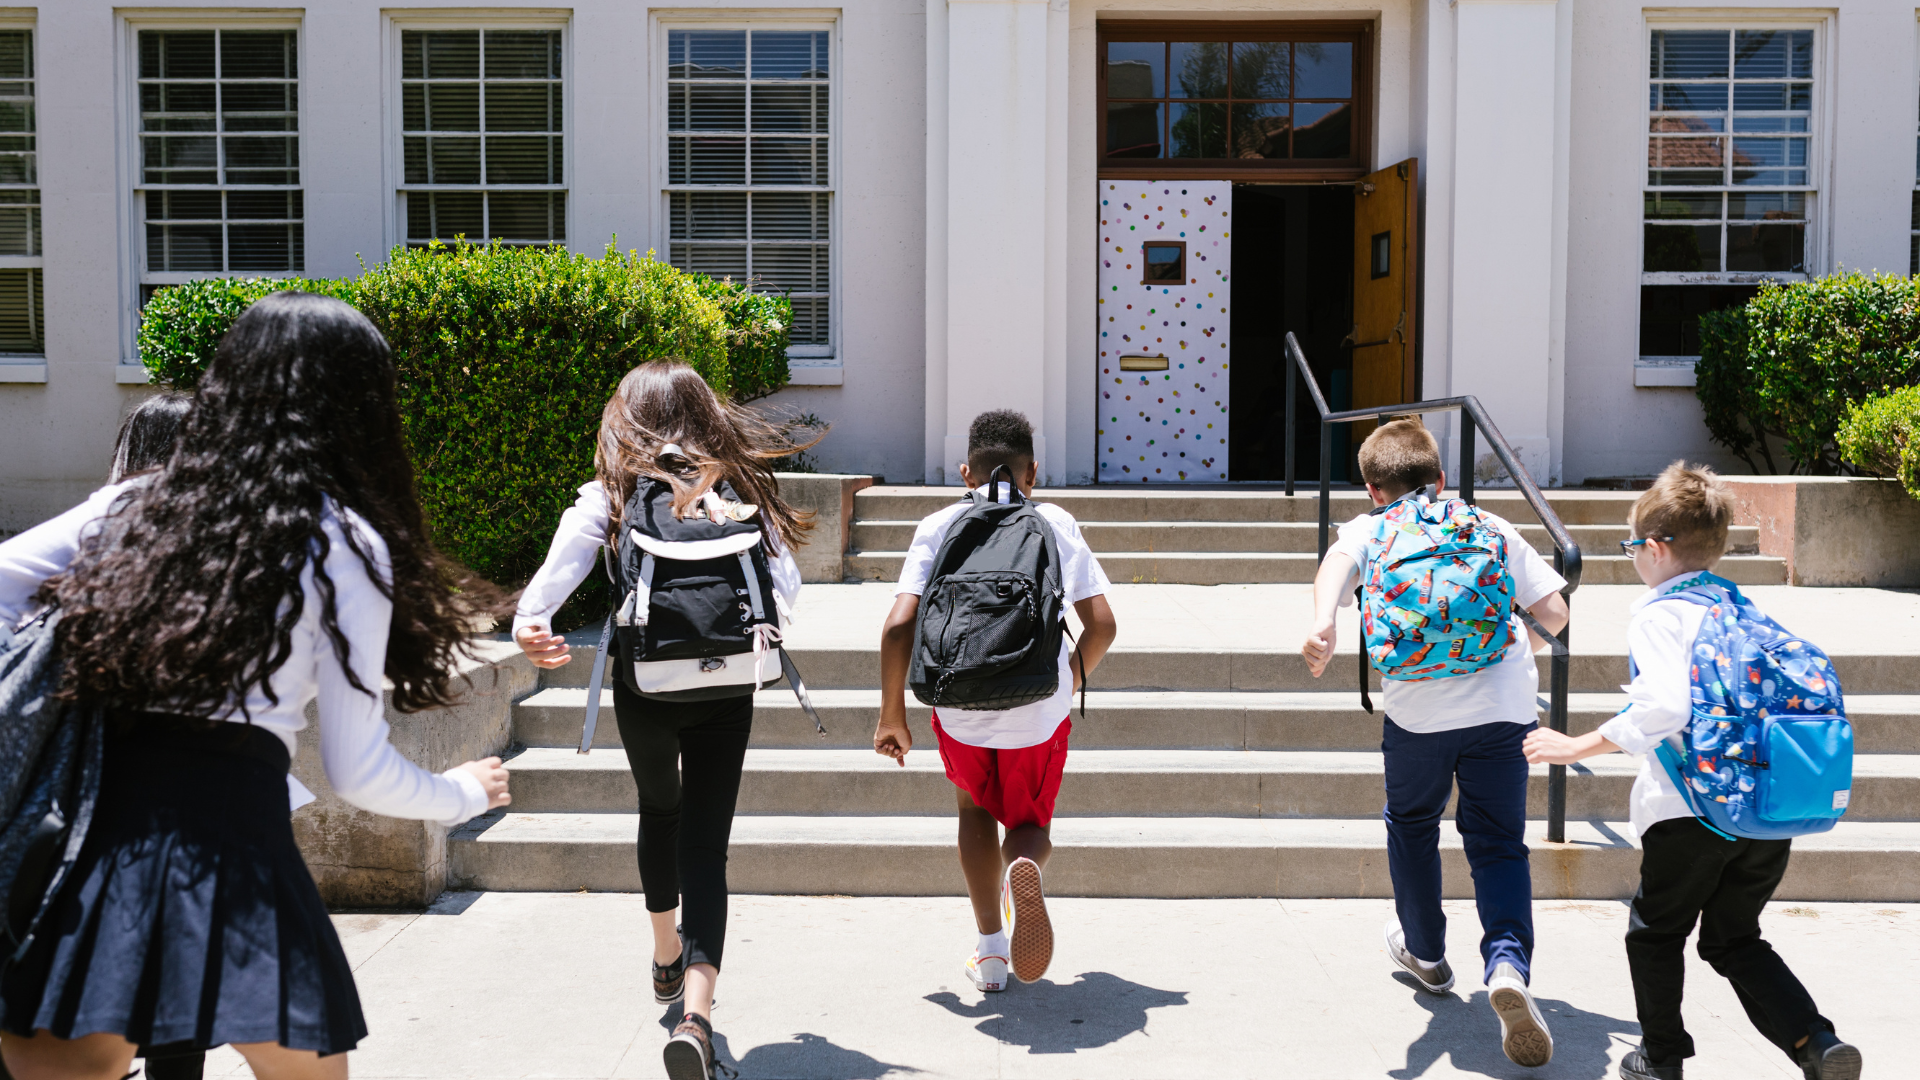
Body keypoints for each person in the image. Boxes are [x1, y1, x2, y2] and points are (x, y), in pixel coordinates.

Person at [0, 291, 512, 1080]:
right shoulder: (342, 540)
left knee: (72, 1062)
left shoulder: (133, 505)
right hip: (238, 839)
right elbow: (356, 771)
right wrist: (463, 795)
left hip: (101, 834)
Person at [511, 360, 816, 1080]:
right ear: (707, 414)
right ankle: (697, 1018)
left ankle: (665, 955)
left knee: (660, 809)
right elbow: (787, 599)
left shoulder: (611, 494)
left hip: (645, 687)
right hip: (726, 689)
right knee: (707, 850)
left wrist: (531, 624)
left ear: (627, 417)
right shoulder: (741, 492)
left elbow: (555, 576)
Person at [1523, 463, 1862, 1080]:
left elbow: (1663, 707)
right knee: (1734, 938)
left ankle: (1660, 1058)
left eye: (1633, 548)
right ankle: (1815, 1043)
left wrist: (1578, 746)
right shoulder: (1742, 607)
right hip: (1764, 808)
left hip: (1688, 810)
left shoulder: (1660, 613)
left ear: (1654, 548)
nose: (1632, 559)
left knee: (1654, 934)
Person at [1300, 418, 1569, 1067]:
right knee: (1498, 843)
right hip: (1503, 710)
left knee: (1413, 824)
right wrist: (1512, 650)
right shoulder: (1488, 525)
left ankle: (1426, 953)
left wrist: (1321, 626)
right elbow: (1556, 613)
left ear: (1372, 489)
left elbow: (1333, 573)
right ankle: (1506, 965)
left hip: (1418, 715)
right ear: (1441, 479)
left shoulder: (1371, 529)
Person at [873, 410, 1118, 992]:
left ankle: (990, 953)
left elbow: (897, 627)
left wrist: (892, 718)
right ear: (1033, 471)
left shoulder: (938, 524)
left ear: (966, 472)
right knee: (1028, 823)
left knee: (972, 812)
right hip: (1038, 708)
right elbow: (1103, 626)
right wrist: (1069, 679)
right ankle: (1024, 865)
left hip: (958, 705)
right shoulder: (1053, 521)